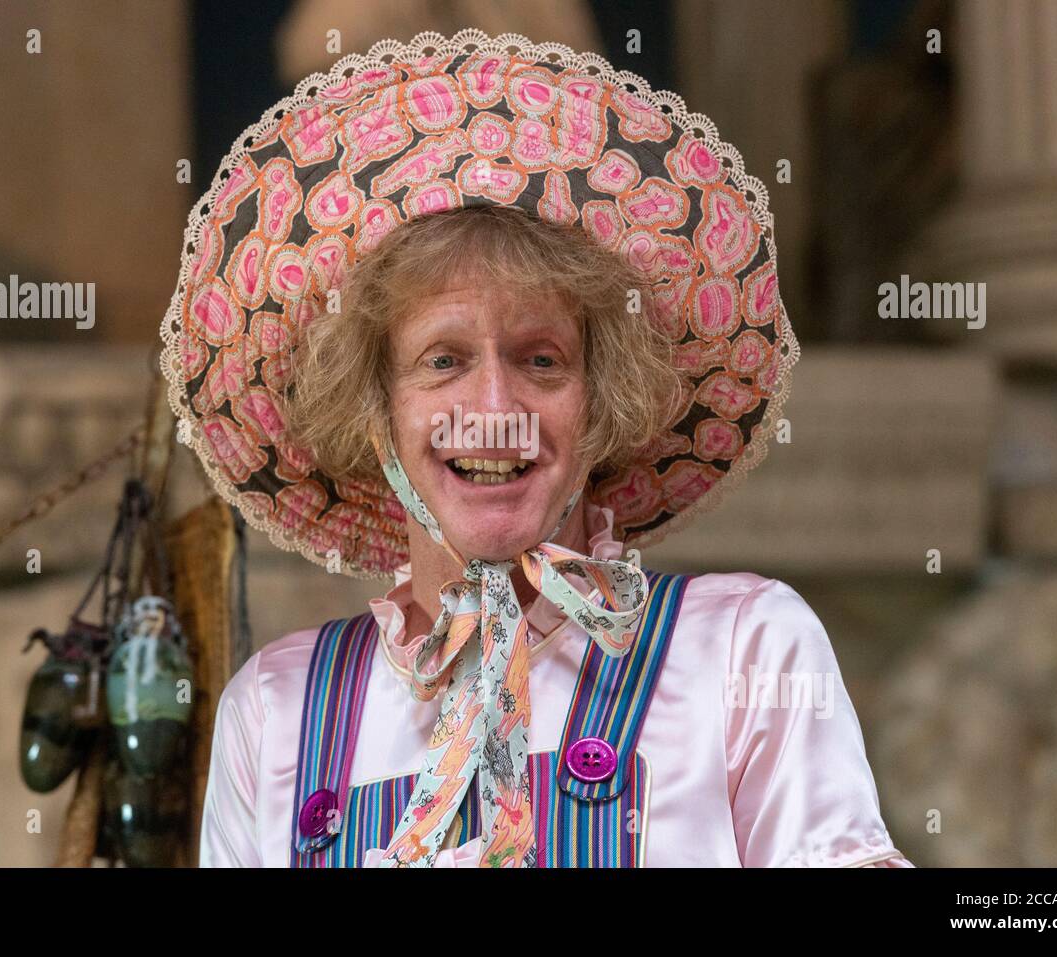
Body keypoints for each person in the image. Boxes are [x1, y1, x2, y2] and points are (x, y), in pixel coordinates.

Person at [160, 29, 913, 868]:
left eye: (540, 360)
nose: (492, 408)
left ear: (602, 404)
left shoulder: (744, 645)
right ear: (374, 411)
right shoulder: (275, 710)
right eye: (442, 361)